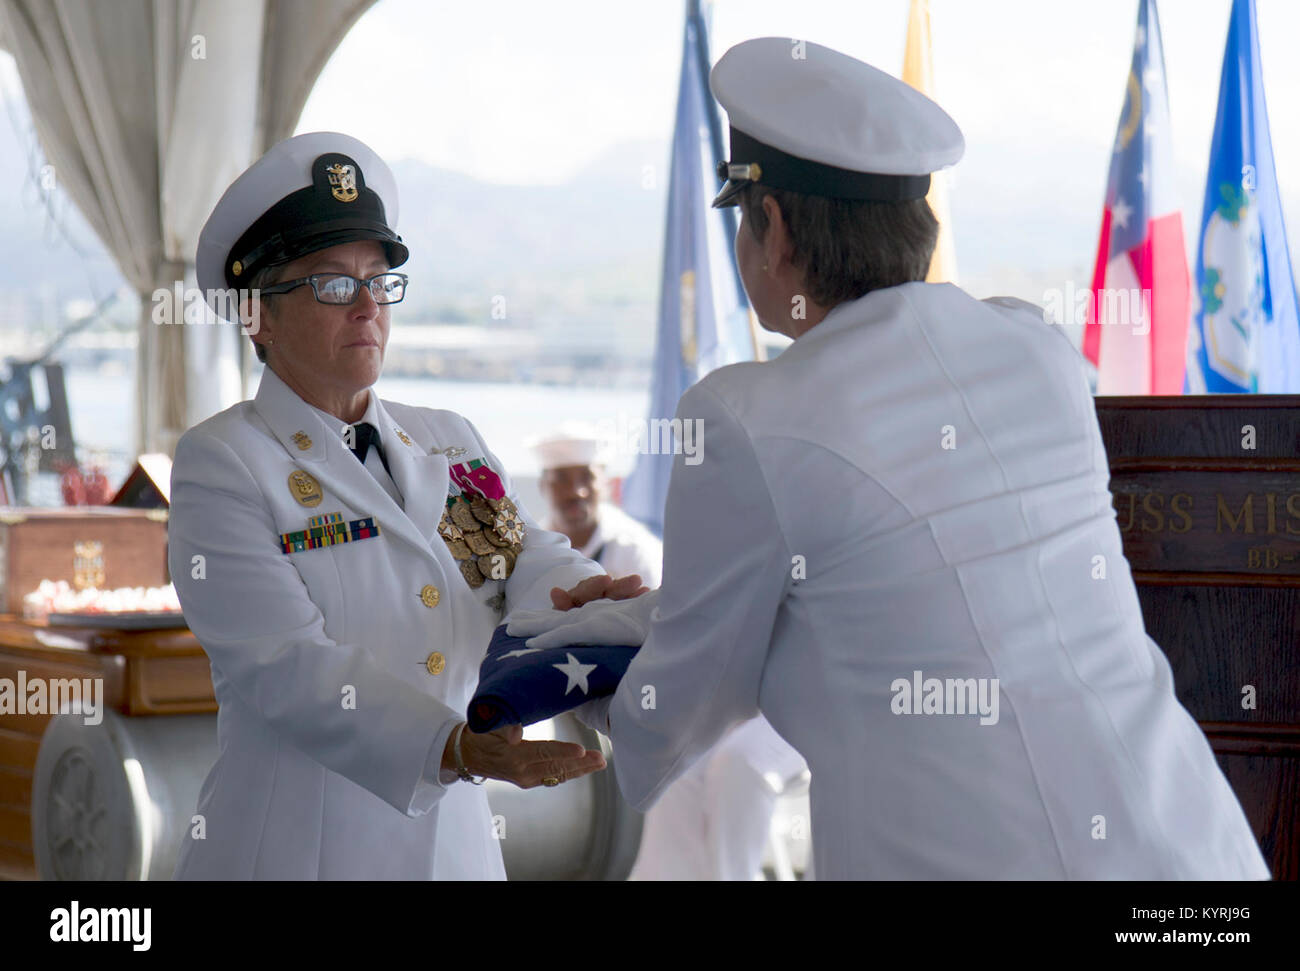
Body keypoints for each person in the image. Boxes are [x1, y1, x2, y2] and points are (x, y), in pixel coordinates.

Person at [509, 38, 1270, 879]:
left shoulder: (745, 419)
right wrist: (666, 614)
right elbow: (891, 592)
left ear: (774, 229)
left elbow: (668, 721)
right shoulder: (1038, 350)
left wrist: (586, 656)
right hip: (1193, 858)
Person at [170, 132, 644, 880]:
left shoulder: (447, 442)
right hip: (299, 854)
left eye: (378, 280)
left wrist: (592, 600)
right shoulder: (225, 463)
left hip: (454, 851)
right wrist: (451, 748)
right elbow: (286, 667)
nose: (367, 306)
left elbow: (517, 562)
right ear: (257, 315)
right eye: (333, 284)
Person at [531, 423, 807, 879]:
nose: (574, 492)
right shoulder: (724, 545)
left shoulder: (639, 551)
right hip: (723, 702)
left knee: (738, 766)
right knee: (676, 768)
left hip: (793, 709)